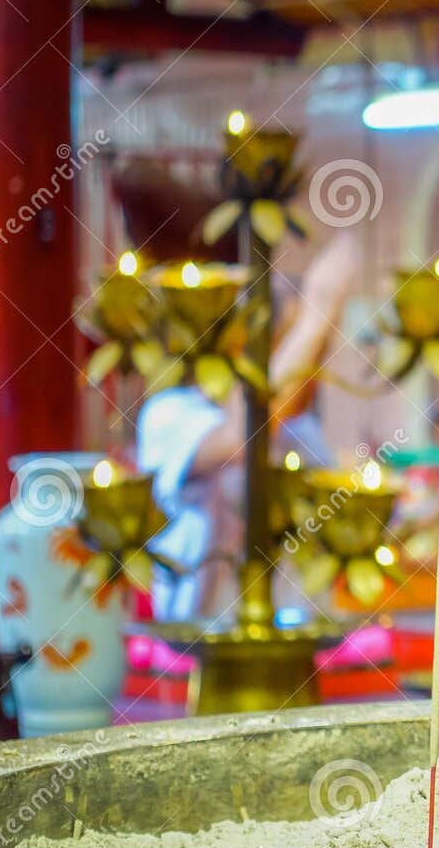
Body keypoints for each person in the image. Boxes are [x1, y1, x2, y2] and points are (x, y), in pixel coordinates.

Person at [136, 232, 360, 619]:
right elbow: (243, 439)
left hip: (294, 638)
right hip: (198, 639)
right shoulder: (172, 413)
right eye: (298, 349)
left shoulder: (301, 432)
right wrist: (316, 315)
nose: (308, 370)